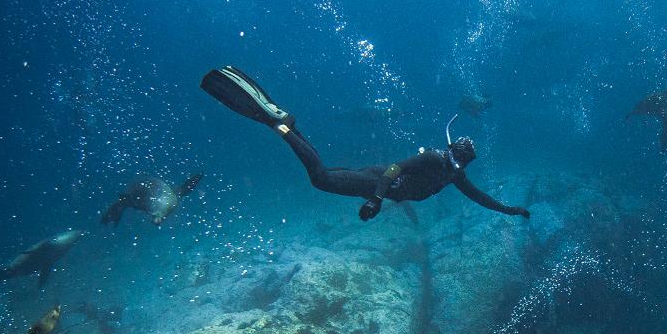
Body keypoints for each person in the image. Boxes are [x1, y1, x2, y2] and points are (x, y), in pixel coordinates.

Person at [201, 67, 531, 222]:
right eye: (459, 158)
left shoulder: (454, 174)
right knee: (321, 178)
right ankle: (282, 126)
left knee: (324, 175)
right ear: (452, 151)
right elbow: (396, 167)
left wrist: (511, 210)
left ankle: (287, 125)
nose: (460, 165)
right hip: (376, 181)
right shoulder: (434, 158)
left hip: (377, 188)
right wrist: (376, 199)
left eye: (464, 163)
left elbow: (479, 197)